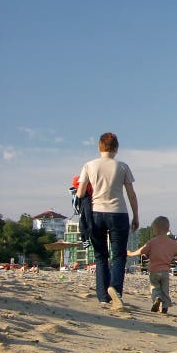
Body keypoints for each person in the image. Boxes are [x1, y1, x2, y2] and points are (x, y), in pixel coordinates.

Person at [76, 132, 139, 310]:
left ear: (99, 147)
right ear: (117, 148)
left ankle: (103, 297)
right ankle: (115, 290)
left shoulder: (89, 165)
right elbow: (131, 194)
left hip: (96, 213)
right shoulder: (123, 166)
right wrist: (136, 215)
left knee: (101, 256)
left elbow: (80, 193)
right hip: (118, 213)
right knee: (119, 256)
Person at [127, 216, 177, 314]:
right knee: (165, 290)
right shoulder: (171, 242)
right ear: (168, 229)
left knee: (154, 287)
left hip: (154, 271)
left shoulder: (152, 242)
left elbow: (142, 250)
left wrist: (131, 253)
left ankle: (157, 298)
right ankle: (165, 307)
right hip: (165, 272)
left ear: (155, 229)